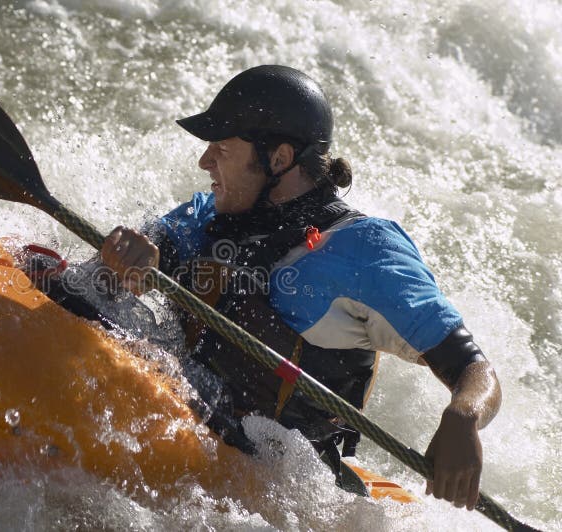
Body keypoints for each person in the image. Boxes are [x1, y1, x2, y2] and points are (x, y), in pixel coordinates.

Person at [99, 65, 501, 510]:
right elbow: (137, 259)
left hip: (275, 488)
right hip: (177, 423)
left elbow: (473, 368)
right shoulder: (209, 213)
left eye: (221, 148)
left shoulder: (363, 251)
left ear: (279, 158)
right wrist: (133, 254)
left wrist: (463, 418)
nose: (204, 162)